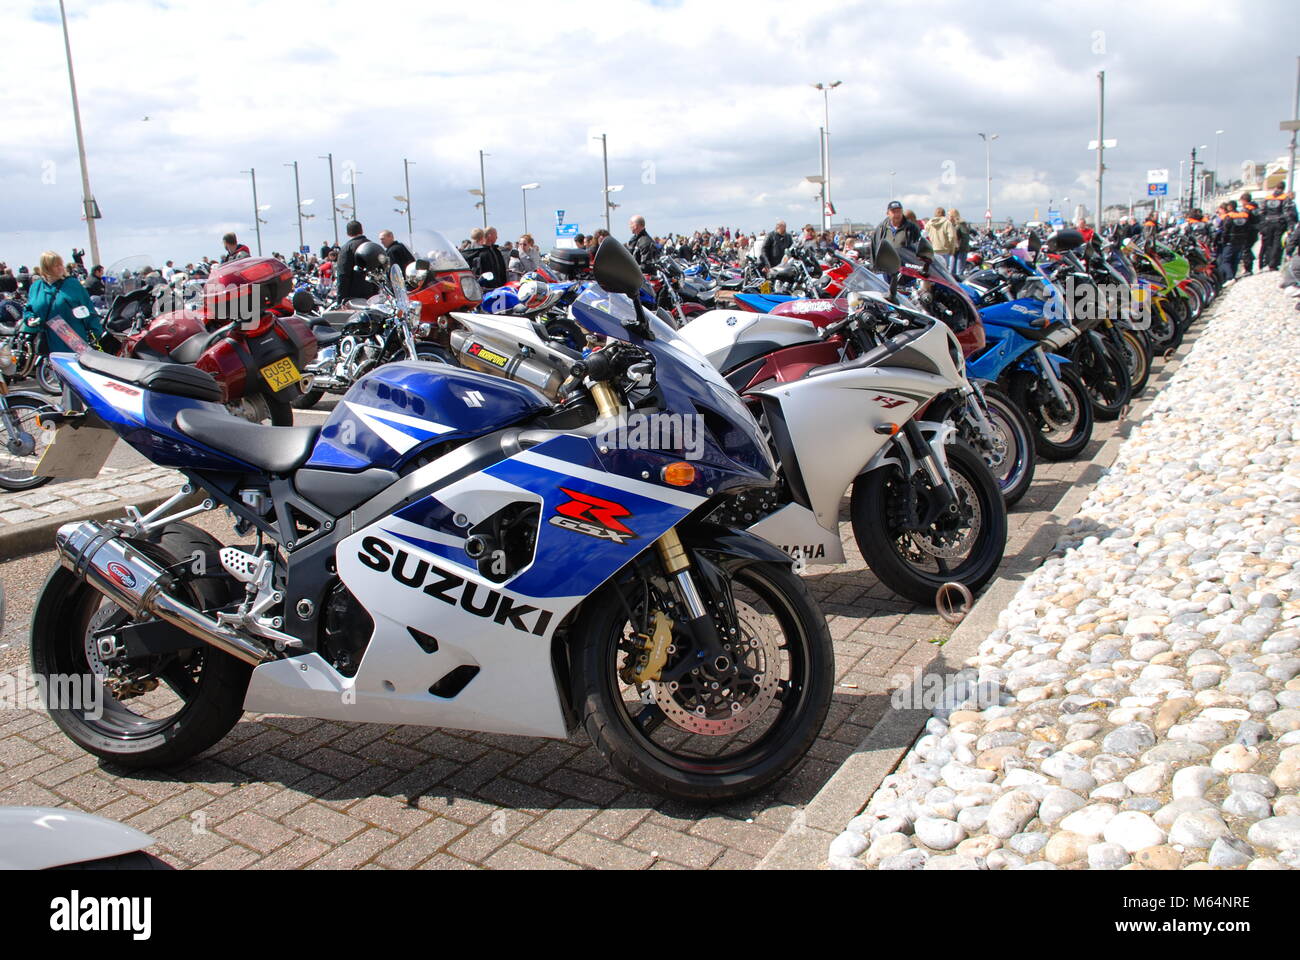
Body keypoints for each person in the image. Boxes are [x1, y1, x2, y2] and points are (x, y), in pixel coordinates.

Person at [19, 251, 105, 354]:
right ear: (46, 267)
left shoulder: (72, 284)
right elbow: (29, 309)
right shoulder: (36, 287)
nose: (60, 268)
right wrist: (30, 319)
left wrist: (97, 334)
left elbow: (88, 308)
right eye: (56, 265)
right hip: (48, 345)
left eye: (61, 264)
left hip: (74, 343)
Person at [1257, 185, 1298, 272]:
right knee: (1277, 243)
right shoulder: (1285, 198)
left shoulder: (1267, 198)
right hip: (1279, 223)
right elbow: (1288, 213)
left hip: (1268, 223)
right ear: (1283, 188)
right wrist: (1291, 226)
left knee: (1268, 244)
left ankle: (1267, 262)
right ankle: (1273, 264)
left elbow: (1261, 212)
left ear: (1275, 187)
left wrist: (1262, 226)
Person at [336, 220, 379, 301]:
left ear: (348, 233)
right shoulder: (372, 246)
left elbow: (343, 275)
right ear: (362, 230)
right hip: (373, 295)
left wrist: (340, 299)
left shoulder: (347, 248)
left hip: (353, 297)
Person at [1215, 200, 1253, 283]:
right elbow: (1248, 228)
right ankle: (1233, 276)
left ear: (1230, 207)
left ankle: (1230, 277)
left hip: (1230, 241)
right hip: (1241, 241)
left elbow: (1225, 230)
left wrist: (1223, 240)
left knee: (1225, 260)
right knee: (1235, 260)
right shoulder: (1243, 216)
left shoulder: (1228, 217)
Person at [924, 207, 958, 271]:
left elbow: (924, 235)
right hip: (945, 250)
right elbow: (952, 237)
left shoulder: (929, 223)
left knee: (936, 271)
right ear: (944, 214)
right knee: (945, 272)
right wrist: (952, 249)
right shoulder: (947, 223)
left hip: (933, 251)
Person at [1239, 193, 1260, 275]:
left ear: (1244, 200)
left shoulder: (1247, 209)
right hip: (1255, 231)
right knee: (1248, 248)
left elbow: (1244, 221)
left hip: (1248, 232)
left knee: (1246, 250)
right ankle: (1251, 260)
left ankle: (1248, 268)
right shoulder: (1256, 208)